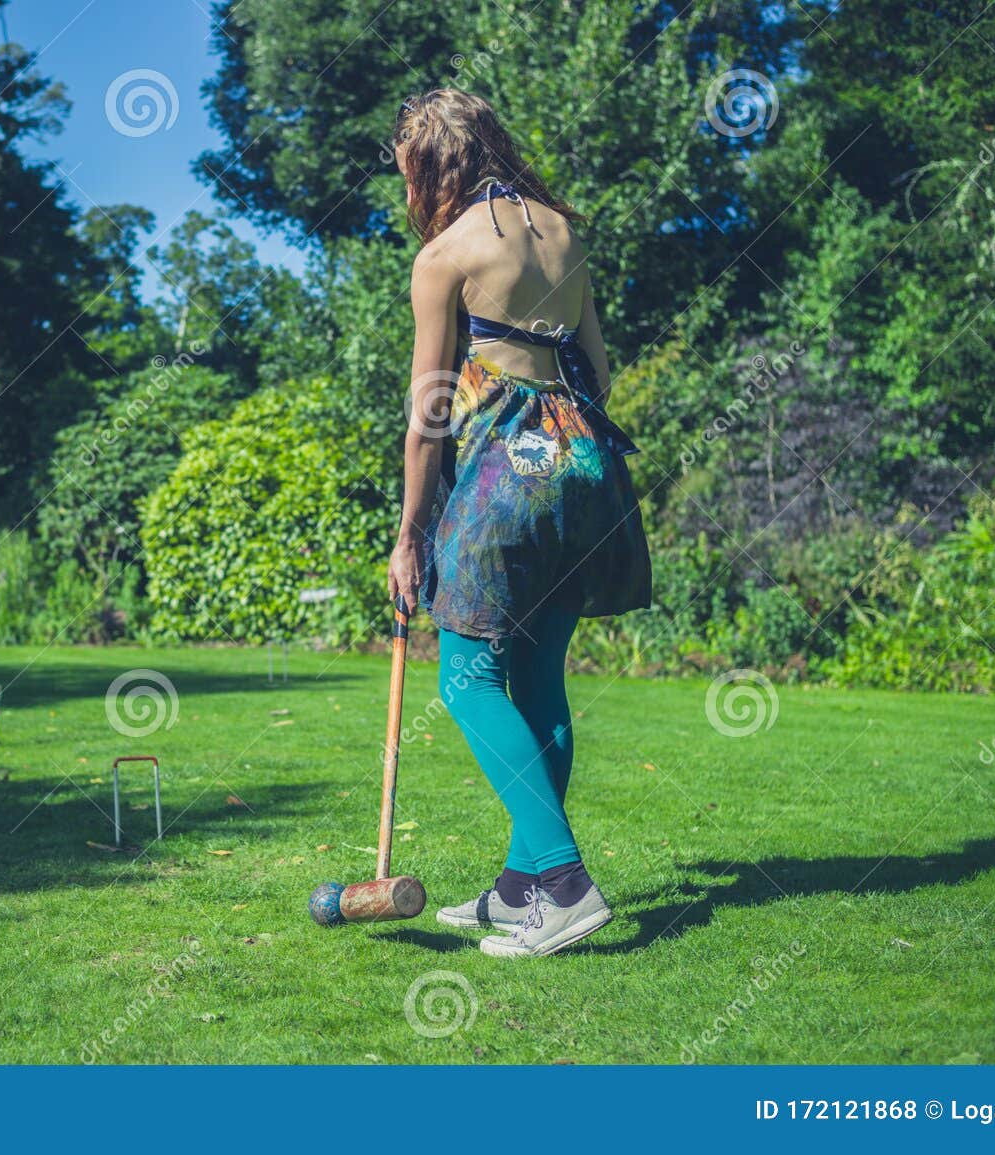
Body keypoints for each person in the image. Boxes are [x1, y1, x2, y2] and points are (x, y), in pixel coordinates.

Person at [387, 89, 652, 958]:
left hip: (510, 474)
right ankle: (520, 885)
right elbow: (599, 374)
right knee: (538, 679)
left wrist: (410, 534)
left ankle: (565, 883)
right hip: (587, 469)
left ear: (431, 164)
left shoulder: (446, 254)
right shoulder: (564, 232)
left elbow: (430, 413)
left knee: (464, 680)